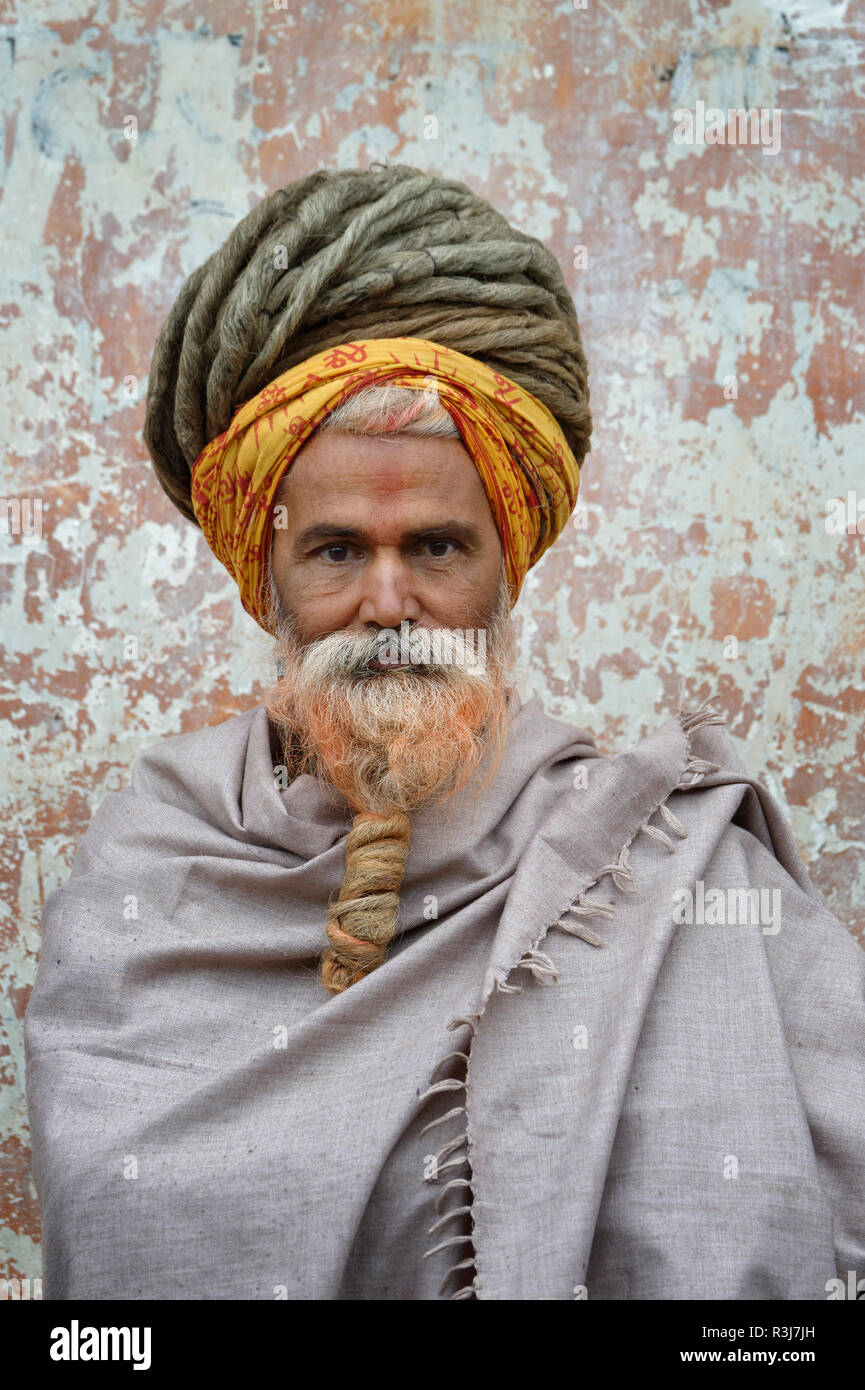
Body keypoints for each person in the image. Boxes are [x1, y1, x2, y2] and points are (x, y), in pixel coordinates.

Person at [24, 165, 865, 1301]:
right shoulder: (151, 868)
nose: (386, 602)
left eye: (434, 548)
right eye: (335, 551)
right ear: (264, 572)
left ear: (502, 568)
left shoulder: (669, 861)